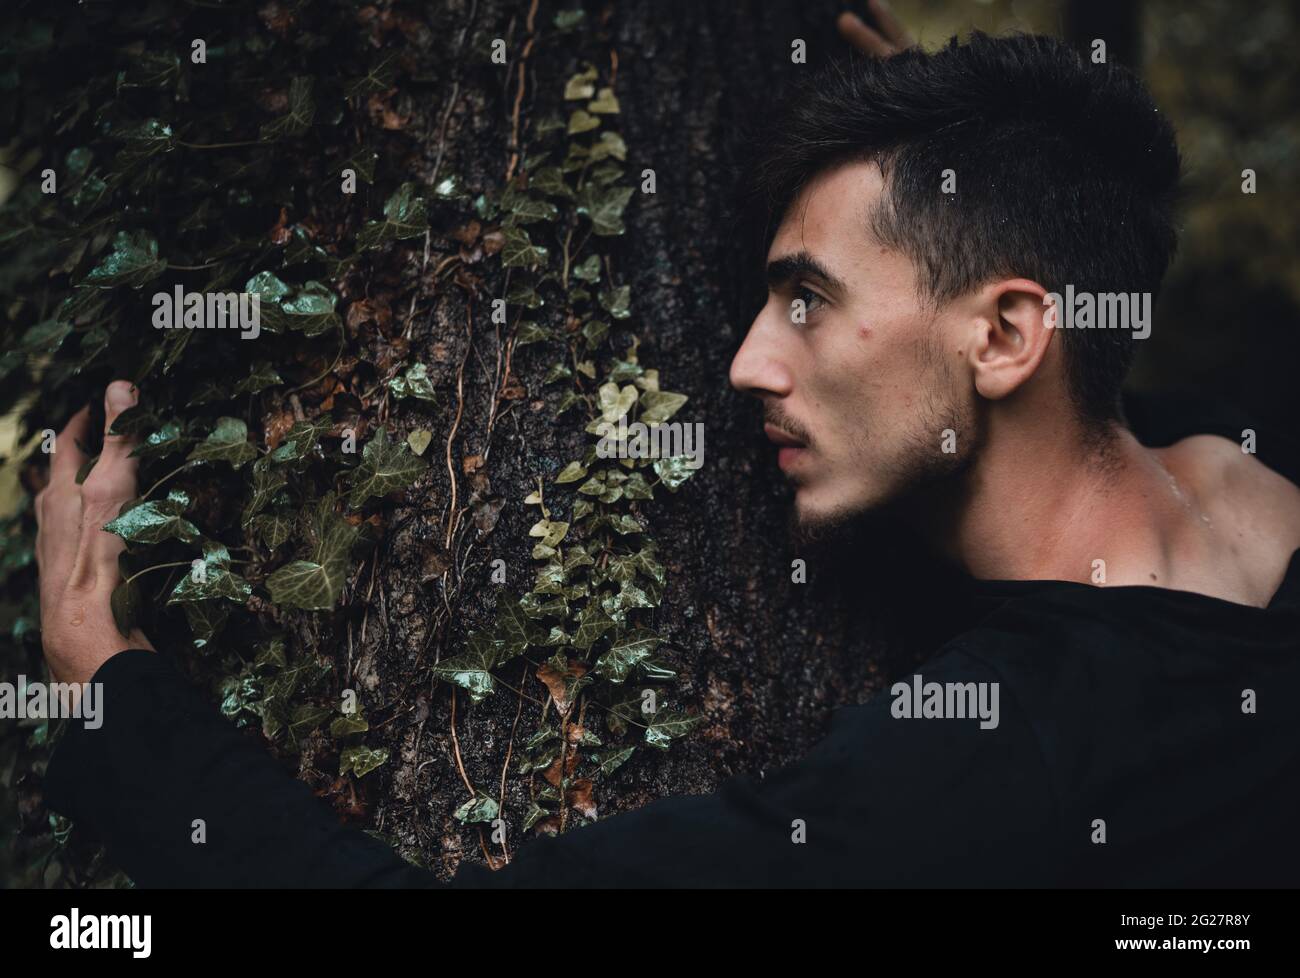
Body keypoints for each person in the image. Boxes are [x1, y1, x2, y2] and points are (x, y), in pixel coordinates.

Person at [34, 22, 1300, 887]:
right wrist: (983, 155)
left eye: (807, 297)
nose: (749, 363)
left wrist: (109, 689)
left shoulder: (992, 769)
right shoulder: (1256, 468)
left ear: (1011, 331)